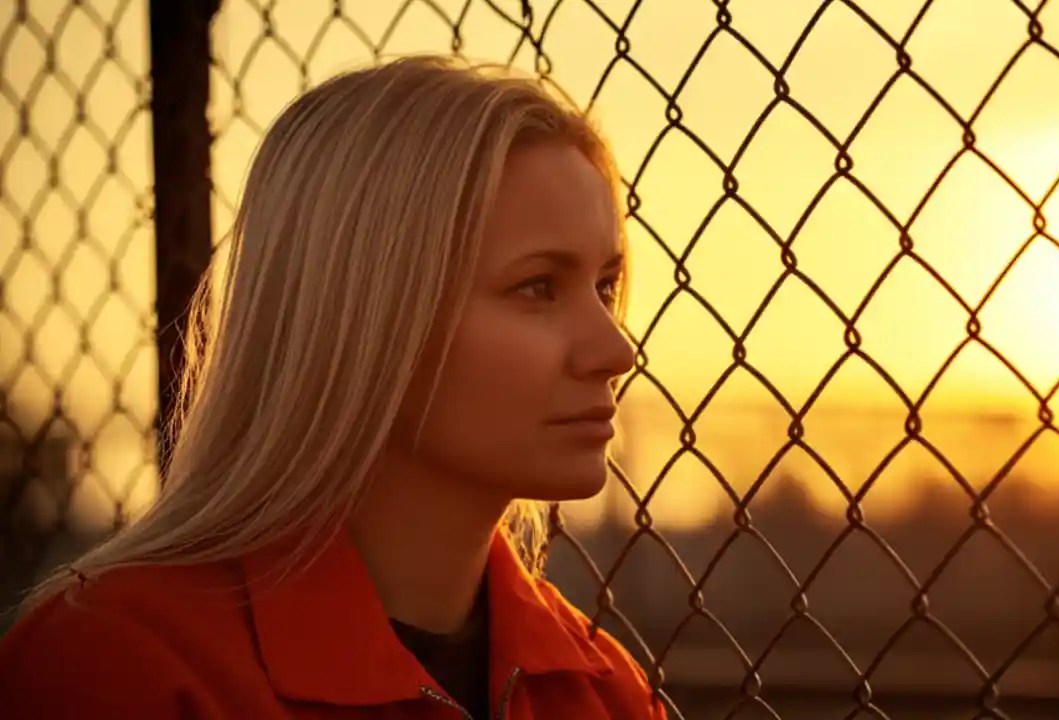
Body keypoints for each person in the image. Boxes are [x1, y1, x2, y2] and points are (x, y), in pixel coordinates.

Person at [0, 55, 666, 720]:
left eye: (606, 286)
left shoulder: (603, 691)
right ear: (364, 315)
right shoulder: (116, 666)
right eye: (538, 287)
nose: (615, 349)